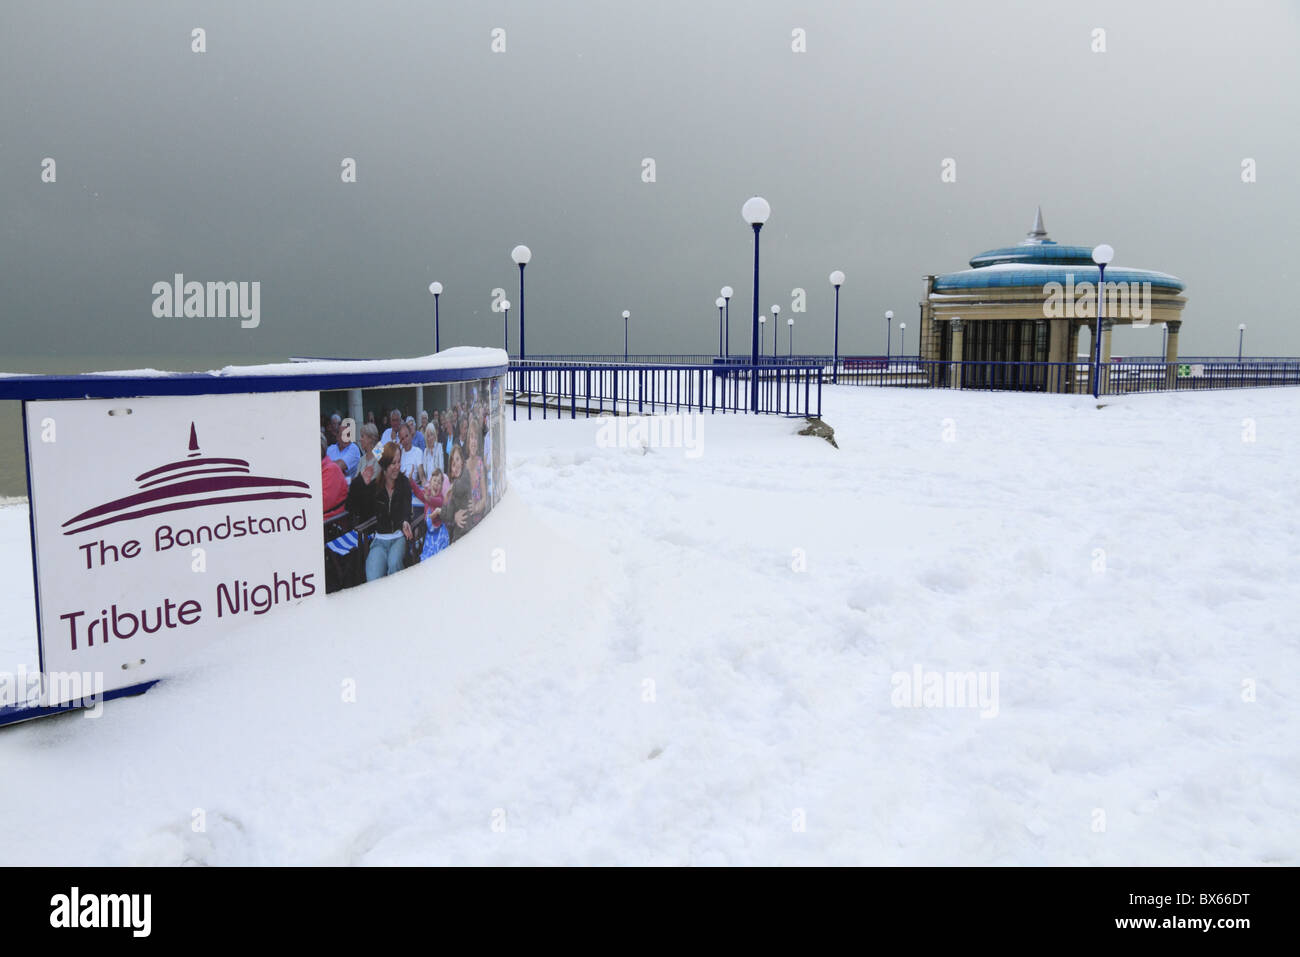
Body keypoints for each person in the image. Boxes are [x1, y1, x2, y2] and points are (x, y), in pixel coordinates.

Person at [346, 442, 414, 581]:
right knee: (372, 575)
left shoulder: (404, 483)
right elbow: (354, 507)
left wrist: (406, 521)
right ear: (384, 466)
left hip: (398, 537)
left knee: (394, 564)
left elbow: (407, 507)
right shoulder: (375, 487)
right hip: (379, 540)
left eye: (399, 462)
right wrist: (361, 484)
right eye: (393, 463)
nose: (398, 466)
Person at [412, 468, 451, 560]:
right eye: (434, 481)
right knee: (426, 559)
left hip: (440, 536)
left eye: (439, 482)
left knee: (439, 561)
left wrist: (428, 498)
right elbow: (418, 493)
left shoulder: (440, 499)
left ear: (441, 487)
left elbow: (434, 501)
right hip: (430, 537)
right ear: (430, 482)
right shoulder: (427, 495)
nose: (436, 484)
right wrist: (411, 481)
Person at [321, 437, 348, 520]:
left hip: (329, 521)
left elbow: (341, 465)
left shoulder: (354, 449)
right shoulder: (332, 448)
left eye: (363, 436)